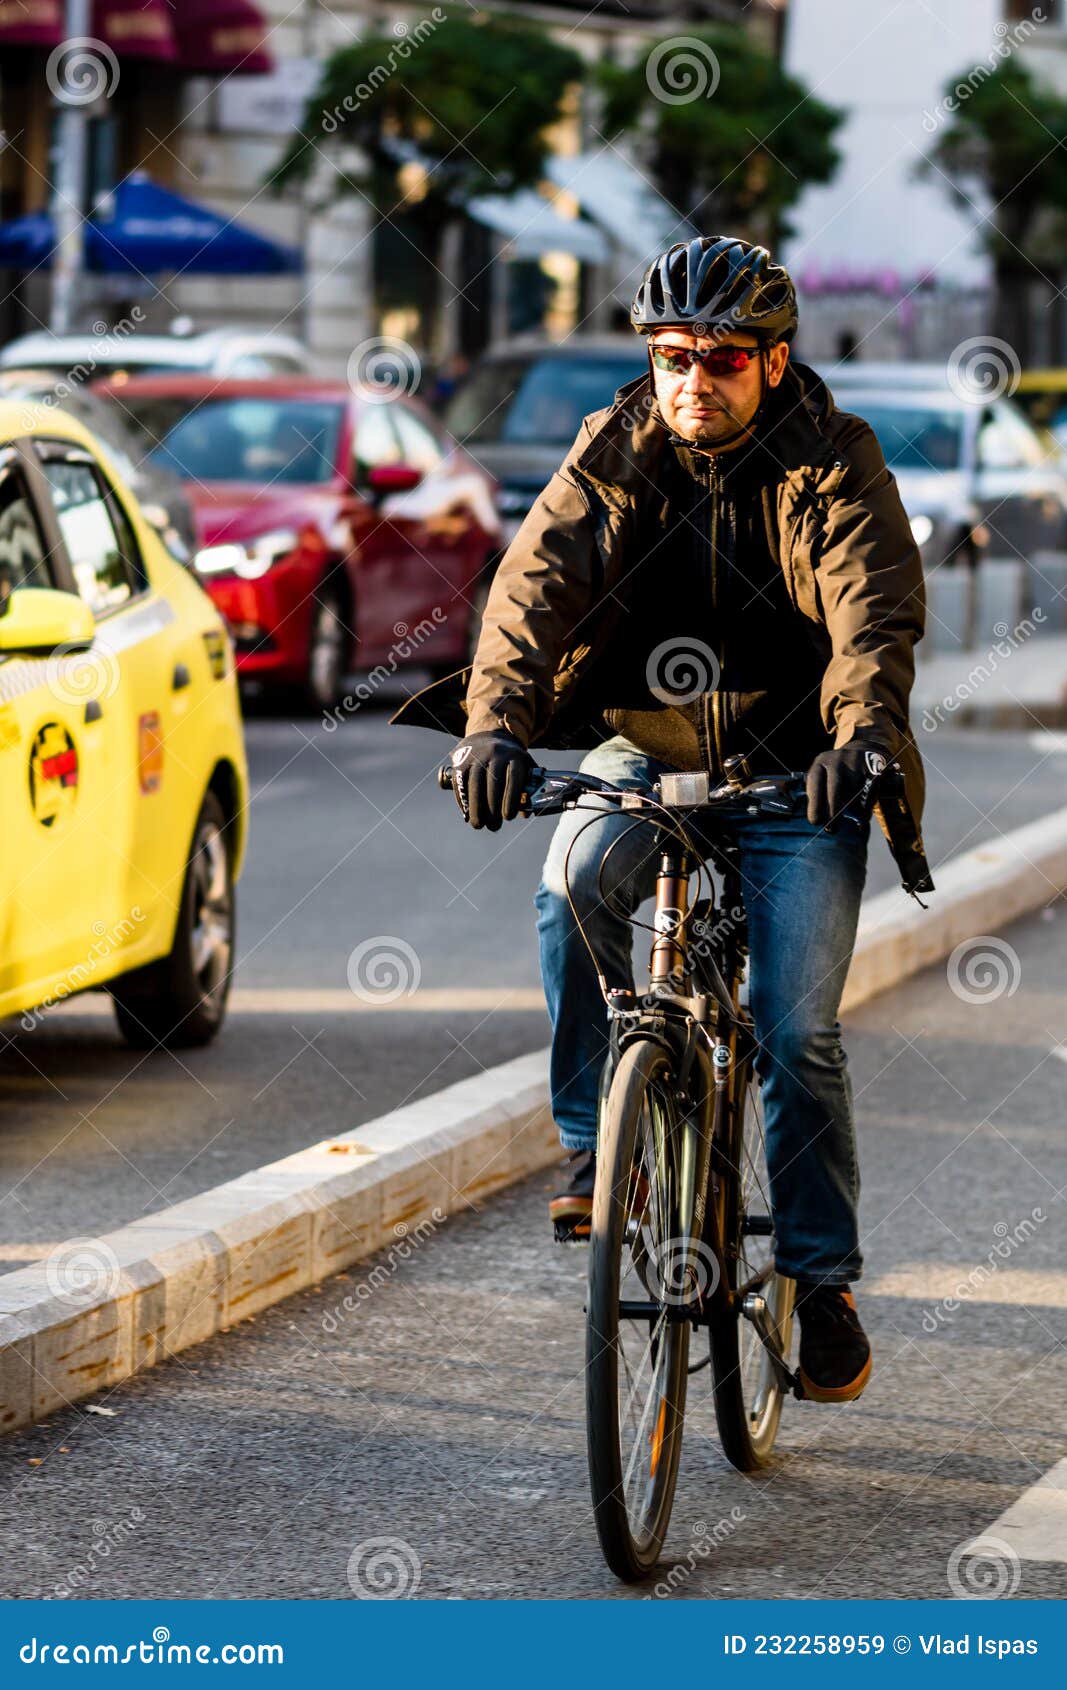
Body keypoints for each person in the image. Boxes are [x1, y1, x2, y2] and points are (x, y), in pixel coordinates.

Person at [391, 236, 934, 1404]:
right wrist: (493, 725)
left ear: (772, 362)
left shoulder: (834, 462)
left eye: (723, 356)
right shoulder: (616, 447)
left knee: (795, 1032)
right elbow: (531, 588)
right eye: (672, 354)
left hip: (802, 772)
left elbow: (869, 618)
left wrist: (861, 741)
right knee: (569, 888)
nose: (694, 377)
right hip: (648, 745)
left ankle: (820, 1279)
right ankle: (596, 1142)